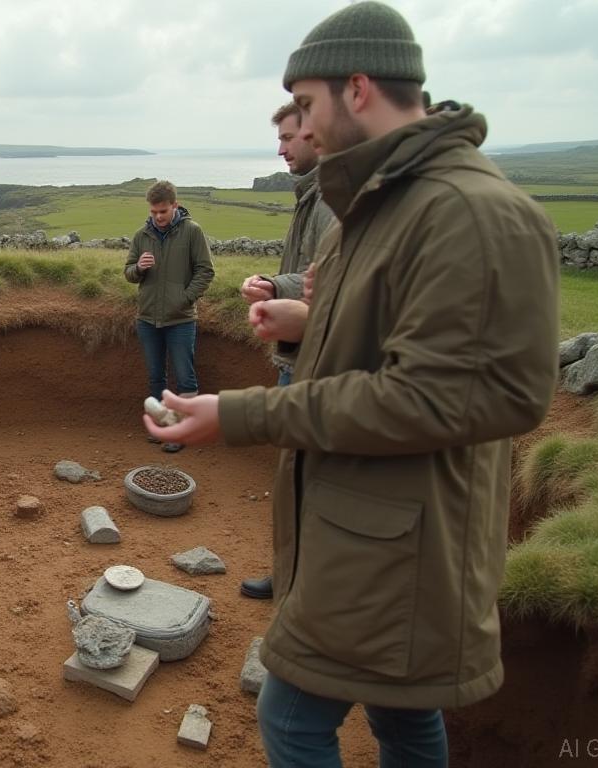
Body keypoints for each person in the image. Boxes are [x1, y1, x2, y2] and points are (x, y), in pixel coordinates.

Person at [144, 3, 559, 765]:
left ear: (358, 88)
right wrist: (308, 318)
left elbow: (449, 396)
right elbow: (392, 340)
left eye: (304, 104)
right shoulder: (380, 206)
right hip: (368, 527)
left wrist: (240, 413)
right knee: (403, 718)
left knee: (292, 717)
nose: (298, 122)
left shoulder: (470, 212)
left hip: (406, 542)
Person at [238, 101, 336, 602]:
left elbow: (332, 279)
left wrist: (275, 285)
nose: (281, 149)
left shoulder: (331, 201)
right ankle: (290, 573)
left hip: (312, 365)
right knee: (295, 478)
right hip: (297, 358)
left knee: (303, 480)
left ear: (318, 135)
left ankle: (300, 584)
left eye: (290, 139)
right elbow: (315, 275)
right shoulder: (312, 196)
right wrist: (276, 284)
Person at [123, 180, 215, 453]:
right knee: (156, 377)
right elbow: (128, 272)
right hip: (148, 318)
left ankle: (183, 431)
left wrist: (184, 299)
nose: (158, 217)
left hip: (181, 320)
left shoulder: (192, 232)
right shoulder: (142, 235)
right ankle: (162, 426)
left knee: (184, 377)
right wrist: (138, 268)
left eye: (163, 211)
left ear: (175, 205)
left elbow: (205, 271)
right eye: (153, 212)